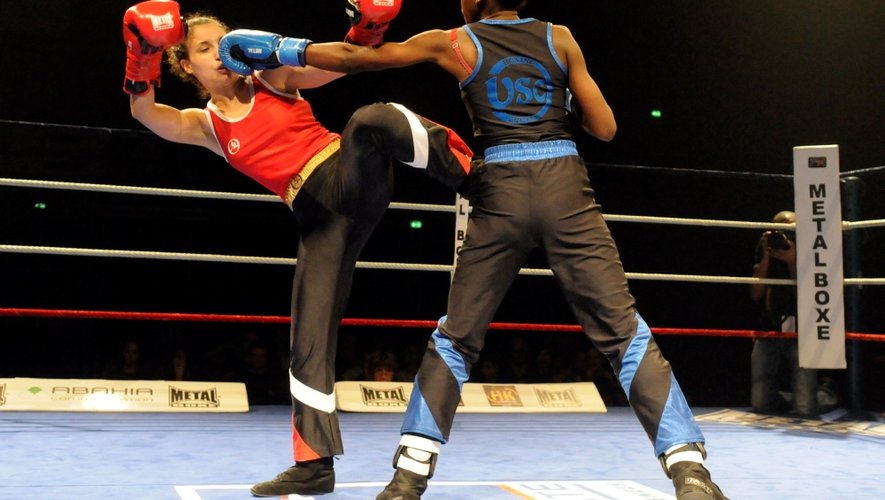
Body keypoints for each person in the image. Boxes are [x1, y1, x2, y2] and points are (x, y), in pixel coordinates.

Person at [220, 1, 727, 498]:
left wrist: (283, 50)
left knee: (457, 338)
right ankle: (690, 472)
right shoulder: (560, 37)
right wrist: (558, 98)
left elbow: (360, 60)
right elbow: (605, 127)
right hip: (566, 188)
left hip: (501, 187)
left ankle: (407, 481)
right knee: (623, 332)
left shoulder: (456, 41)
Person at [121, 1, 472, 496]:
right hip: (316, 218)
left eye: (224, 41)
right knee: (307, 340)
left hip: (347, 174)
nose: (220, 53)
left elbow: (343, 59)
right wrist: (141, 58)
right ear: (185, 65)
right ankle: (314, 465)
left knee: (373, 117)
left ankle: (477, 179)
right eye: (204, 48)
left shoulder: (273, 78)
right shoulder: (206, 126)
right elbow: (145, 112)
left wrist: (365, 27)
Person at [749, 210, 819, 417]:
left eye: (790, 229)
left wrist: (792, 261)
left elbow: (806, 297)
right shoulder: (764, 249)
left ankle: (824, 393)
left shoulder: (809, 248)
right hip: (770, 328)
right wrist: (766, 257)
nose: (785, 235)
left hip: (803, 330)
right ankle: (796, 396)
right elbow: (755, 294)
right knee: (761, 405)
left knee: (806, 408)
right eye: (780, 230)